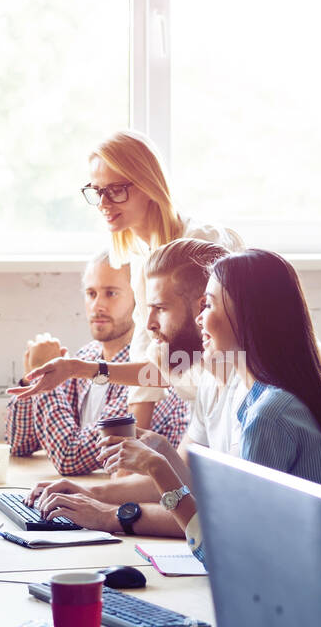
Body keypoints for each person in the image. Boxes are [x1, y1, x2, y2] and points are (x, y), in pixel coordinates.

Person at [80, 248, 321, 627]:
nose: (200, 317)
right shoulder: (268, 398)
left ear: (246, 317)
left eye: (209, 303)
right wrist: (162, 459)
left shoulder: (272, 413)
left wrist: (161, 473)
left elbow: (237, 557)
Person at [27, 238, 243, 537]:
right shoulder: (208, 379)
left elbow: (229, 524)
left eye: (160, 308)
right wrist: (93, 494)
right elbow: (186, 479)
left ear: (203, 309)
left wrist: (110, 516)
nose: (149, 324)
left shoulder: (254, 398)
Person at [74, 130, 244, 429]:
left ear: (149, 185)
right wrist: (131, 456)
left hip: (267, 403)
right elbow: (150, 374)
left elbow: (232, 347)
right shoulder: (142, 262)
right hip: (220, 406)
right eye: (96, 190)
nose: (103, 202)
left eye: (115, 190)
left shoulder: (201, 244)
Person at [5, 252, 187, 475]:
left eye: (111, 293)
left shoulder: (148, 373)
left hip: (136, 502)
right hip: (93, 492)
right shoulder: (87, 356)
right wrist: (34, 380)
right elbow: (19, 445)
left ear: (138, 300)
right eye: (91, 294)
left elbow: (70, 457)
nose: (97, 305)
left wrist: (45, 383)